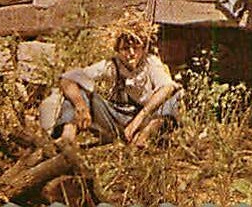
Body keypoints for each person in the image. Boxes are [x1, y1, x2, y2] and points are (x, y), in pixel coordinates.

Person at [50, 11, 181, 148]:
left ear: (143, 48)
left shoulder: (150, 63)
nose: (131, 53)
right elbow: (68, 78)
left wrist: (138, 120)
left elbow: (167, 87)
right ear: (118, 50)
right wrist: (80, 105)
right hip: (116, 118)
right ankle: (67, 139)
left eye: (136, 48)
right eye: (125, 48)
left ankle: (142, 139)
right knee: (79, 93)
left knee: (173, 96)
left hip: (145, 120)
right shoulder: (111, 65)